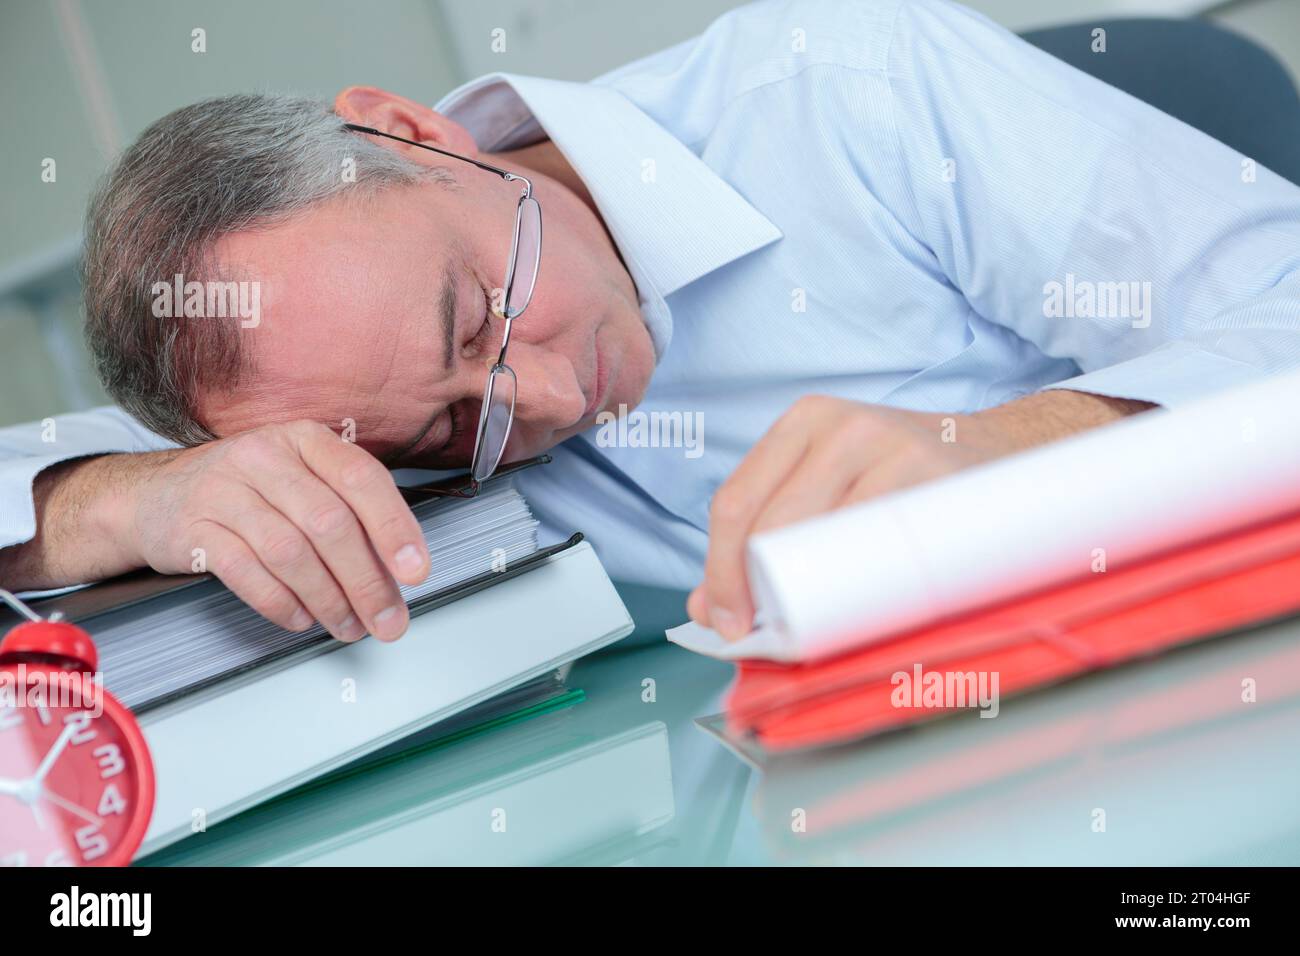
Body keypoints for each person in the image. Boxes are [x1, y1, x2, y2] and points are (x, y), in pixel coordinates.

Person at [2, 0, 1298, 646]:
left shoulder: (847, 90)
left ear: (411, 133)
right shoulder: (294, 371)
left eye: (485, 316)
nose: (550, 400)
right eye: (457, 428)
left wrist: (1039, 439)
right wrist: (119, 501)